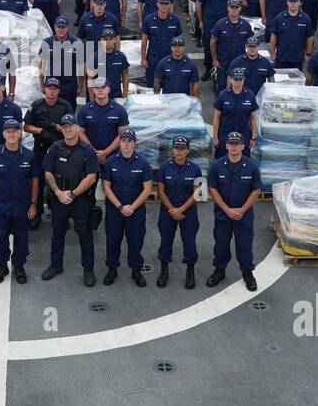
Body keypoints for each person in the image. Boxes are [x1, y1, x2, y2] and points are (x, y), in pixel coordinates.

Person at [41, 116, 99, 286]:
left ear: (77, 128)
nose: (67, 130)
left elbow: (91, 177)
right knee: (57, 234)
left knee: (85, 236)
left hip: (80, 200)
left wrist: (72, 194)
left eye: (70, 126)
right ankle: (55, 265)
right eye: (64, 127)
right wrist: (59, 193)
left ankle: (88, 270)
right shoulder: (55, 148)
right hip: (59, 199)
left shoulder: (87, 150)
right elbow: (48, 173)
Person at [0, 119, 39, 284]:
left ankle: (19, 266)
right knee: (0, 237)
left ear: (20, 133)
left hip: (22, 206)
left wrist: (33, 204)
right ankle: (2, 266)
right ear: (3, 134)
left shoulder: (29, 156)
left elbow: (35, 180)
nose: (12, 134)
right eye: (8, 131)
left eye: (15, 131)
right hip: (1, 206)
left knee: (22, 237)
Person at [207, 131, 264, 291]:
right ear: (226, 146)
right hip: (222, 215)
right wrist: (226, 209)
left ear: (243, 146)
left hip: (243, 216)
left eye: (237, 144)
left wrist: (242, 210)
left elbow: (256, 190)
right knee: (221, 244)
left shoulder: (251, 167)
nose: (234, 147)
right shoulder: (217, 166)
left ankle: (247, 273)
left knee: (244, 245)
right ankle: (219, 270)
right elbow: (212, 188)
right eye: (231, 144)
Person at [101, 128, 152, 287]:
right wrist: (120, 206)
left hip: (135, 211)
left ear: (134, 143)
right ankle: (112, 269)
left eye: (129, 141)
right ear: (120, 142)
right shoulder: (111, 162)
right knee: (113, 241)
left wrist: (132, 207)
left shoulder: (142, 163)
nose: (126, 144)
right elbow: (106, 187)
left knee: (135, 241)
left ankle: (136, 270)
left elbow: (147, 189)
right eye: (123, 141)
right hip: (115, 210)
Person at [23, 77, 73, 227]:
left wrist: (55, 127)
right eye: (49, 88)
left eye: (54, 89)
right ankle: (36, 214)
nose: (51, 91)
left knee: (60, 183)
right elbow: (26, 126)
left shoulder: (65, 105)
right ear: (44, 90)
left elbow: (71, 127)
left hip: (60, 150)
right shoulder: (36, 105)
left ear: (58, 91)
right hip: (41, 149)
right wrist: (40, 130)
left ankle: (59, 215)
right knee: (37, 181)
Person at [155, 135, 201, 290]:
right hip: (168, 211)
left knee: (189, 242)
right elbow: (161, 191)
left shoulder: (195, 169)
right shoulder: (164, 168)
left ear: (187, 150)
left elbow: (197, 192)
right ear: (172, 149)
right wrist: (172, 210)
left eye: (182, 148)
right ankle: (164, 270)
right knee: (165, 241)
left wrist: (180, 209)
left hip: (188, 212)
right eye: (176, 148)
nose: (179, 151)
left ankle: (190, 271)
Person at [77, 78, 129, 169]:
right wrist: (94, 152)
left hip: (113, 156)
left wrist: (105, 153)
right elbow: (80, 132)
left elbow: (122, 135)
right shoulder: (84, 110)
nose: (100, 90)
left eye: (103, 87)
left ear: (108, 89)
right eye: (97, 87)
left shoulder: (119, 110)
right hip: (90, 155)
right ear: (93, 90)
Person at [196, 0, 235, 78]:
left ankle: (223, 71)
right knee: (209, 48)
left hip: (224, 24)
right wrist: (200, 21)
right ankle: (208, 70)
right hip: (209, 24)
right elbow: (198, 3)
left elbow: (234, 6)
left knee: (224, 47)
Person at [140, 0, 183, 88]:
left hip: (170, 58)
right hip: (153, 58)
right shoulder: (149, 20)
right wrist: (143, 58)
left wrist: (181, 58)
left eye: (166, 4)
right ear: (157, 4)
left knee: (170, 85)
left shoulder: (175, 20)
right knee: (152, 86)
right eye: (162, 3)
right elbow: (144, 40)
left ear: (170, 5)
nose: (164, 6)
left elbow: (180, 42)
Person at [210, 0, 254, 90]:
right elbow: (213, 41)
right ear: (228, 8)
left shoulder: (246, 25)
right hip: (223, 62)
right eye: (232, 7)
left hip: (240, 62)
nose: (234, 10)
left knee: (240, 88)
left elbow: (251, 43)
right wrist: (215, 60)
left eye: (236, 7)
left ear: (240, 9)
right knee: (222, 87)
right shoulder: (220, 24)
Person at [213, 67, 258, 157]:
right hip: (225, 135)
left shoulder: (250, 95)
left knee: (243, 160)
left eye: (240, 79)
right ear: (230, 79)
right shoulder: (223, 95)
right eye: (235, 79)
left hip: (243, 134)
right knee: (222, 160)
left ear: (244, 80)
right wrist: (215, 137)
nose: (238, 82)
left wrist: (253, 137)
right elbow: (216, 117)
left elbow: (253, 118)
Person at [40, 18, 83, 108]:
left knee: (69, 114)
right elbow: (41, 65)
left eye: (63, 27)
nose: (61, 30)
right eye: (58, 27)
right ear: (54, 27)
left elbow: (81, 66)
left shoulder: (76, 43)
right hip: (52, 84)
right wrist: (42, 84)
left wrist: (80, 86)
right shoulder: (47, 42)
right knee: (51, 113)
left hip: (70, 85)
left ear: (67, 28)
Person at [268, 0, 313, 70]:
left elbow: (309, 37)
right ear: (287, 2)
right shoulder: (279, 18)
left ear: (299, 2)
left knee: (296, 81)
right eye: (290, 1)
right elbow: (274, 36)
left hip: (297, 58)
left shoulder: (306, 19)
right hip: (282, 57)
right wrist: (272, 53)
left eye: (295, 1)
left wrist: (308, 54)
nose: (293, 4)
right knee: (281, 79)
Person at [90, 28, 130, 99]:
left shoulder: (121, 56)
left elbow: (125, 75)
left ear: (115, 40)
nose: (108, 41)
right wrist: (92, 99)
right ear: (101, 40)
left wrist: (125, 94)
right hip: (100, 96)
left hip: (117, 95)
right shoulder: (95, 57)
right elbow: (90, 79)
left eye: (110, 39)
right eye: (105, 39)